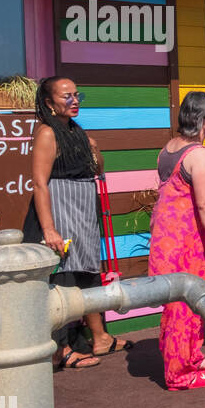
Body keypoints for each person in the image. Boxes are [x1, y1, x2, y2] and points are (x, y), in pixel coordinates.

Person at [23, 76, 128, 369]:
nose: (74, 100)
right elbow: (40, 184)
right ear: (48, 103)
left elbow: (96, 169)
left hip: (82, 212)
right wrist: (49, 229)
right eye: (66, 96)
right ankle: (61, 349)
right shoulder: (46, 133)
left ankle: (100, 337)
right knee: (62, 279)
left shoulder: (76, 131)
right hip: (59, 211)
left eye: (77, 95)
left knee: (88, 273)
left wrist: (93, 149)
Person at [148, 91, 205, 391]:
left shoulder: (169, 148)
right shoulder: (199, 155)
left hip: (168, 237)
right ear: (200, 120)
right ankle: (178, 373)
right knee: (182, 306)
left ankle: (192, 356)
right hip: (186, 240)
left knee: (192, 302)